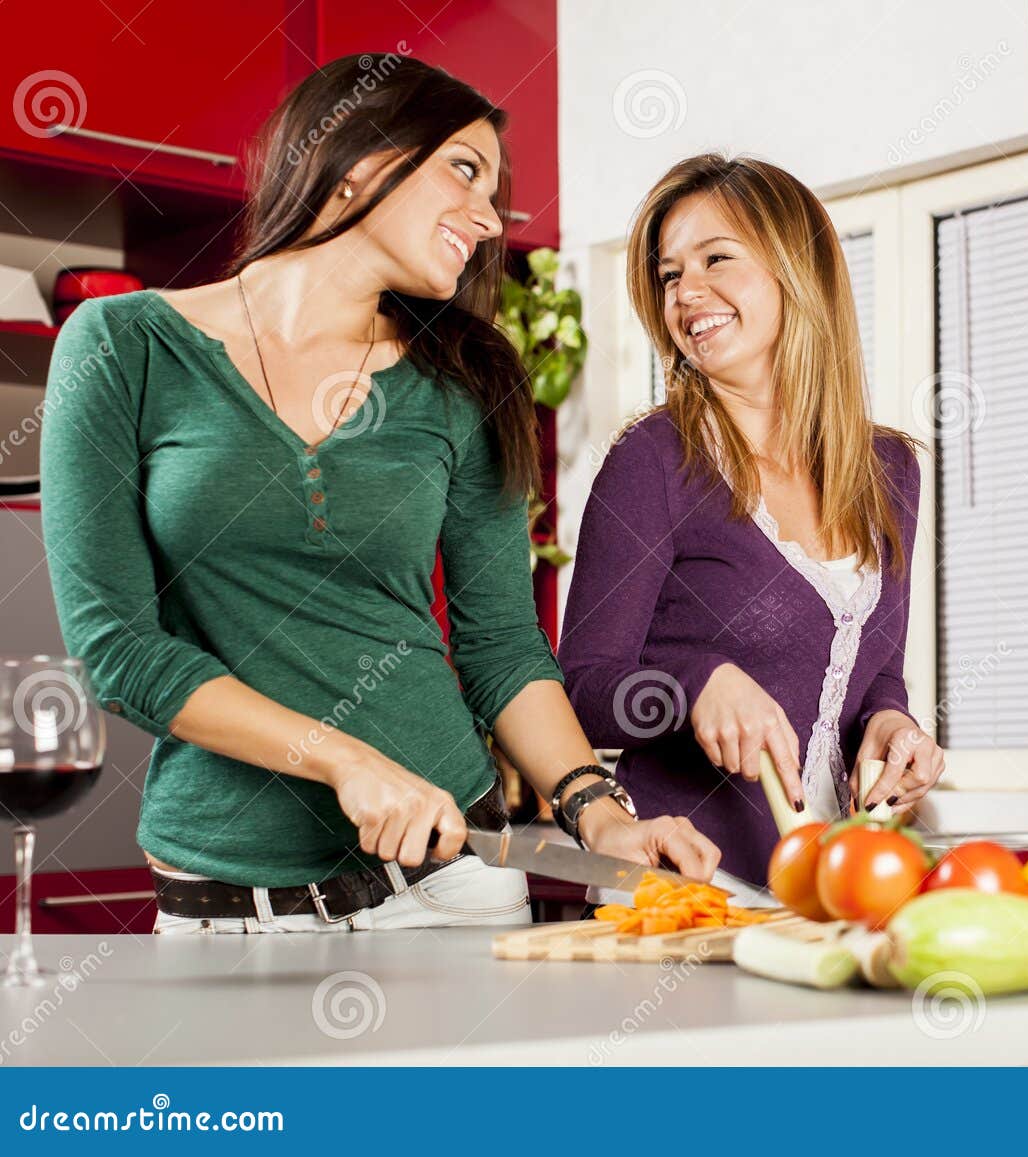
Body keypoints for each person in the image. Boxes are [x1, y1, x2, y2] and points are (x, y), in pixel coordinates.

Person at [40, 55, 717, 934]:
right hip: (230, 905)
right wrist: (343, 760)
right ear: (357, 160)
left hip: (454, 882)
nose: (488, 218)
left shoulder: (467, 380)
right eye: (464, 170)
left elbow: (504, 648)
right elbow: (119, 649)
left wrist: (600, 814)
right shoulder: (123, 345)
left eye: (493, 193)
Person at [561, 154, 946, 884]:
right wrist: (695, 685)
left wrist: (893, 725)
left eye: (716, 259)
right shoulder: (655, 459)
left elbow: (877, 676)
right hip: (689, 890)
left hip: (835, 890)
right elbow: (580, 690)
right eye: (669, 275)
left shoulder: (890, 469)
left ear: (797, 271)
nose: (686, 293)